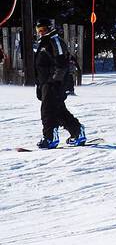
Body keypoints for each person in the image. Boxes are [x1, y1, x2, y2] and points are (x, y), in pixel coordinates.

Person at [34, 18, 85, 148]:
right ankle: (77, 132)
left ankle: (50, 138)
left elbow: (61, 64)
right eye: (38, 30)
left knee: (47, 110)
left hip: (54, 83)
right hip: (46, 82)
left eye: (43, 29)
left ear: (50, 29)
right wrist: (40, 84)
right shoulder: (44, 43)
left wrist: (55, 81)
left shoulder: (55, 41)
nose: (40, 33)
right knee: (58, 109)